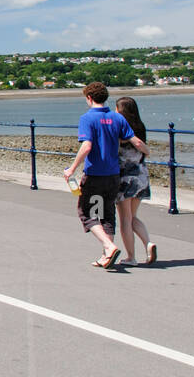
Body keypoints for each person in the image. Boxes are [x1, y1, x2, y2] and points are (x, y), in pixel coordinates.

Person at [64, 82, 150, 269]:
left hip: (95, 173)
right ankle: (106, 256)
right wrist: (147, 152)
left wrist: (71, 169)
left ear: (89, 98)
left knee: (88, 212)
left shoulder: (87, 118)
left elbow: (86, 146)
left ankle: (109, 246)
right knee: (107, 215)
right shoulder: (117, 118)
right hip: (113, 175)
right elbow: (136, 141)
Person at [115, 96, 157, 265]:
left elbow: (136, 143)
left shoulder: (121, 128)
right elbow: (142, 146)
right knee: (133, 216)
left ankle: (131, 257)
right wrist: (148, 152)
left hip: (126, 175)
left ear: (121, 111)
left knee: (125, 218)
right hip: (141, 174)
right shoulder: (140, 126)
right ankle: (148, 243)